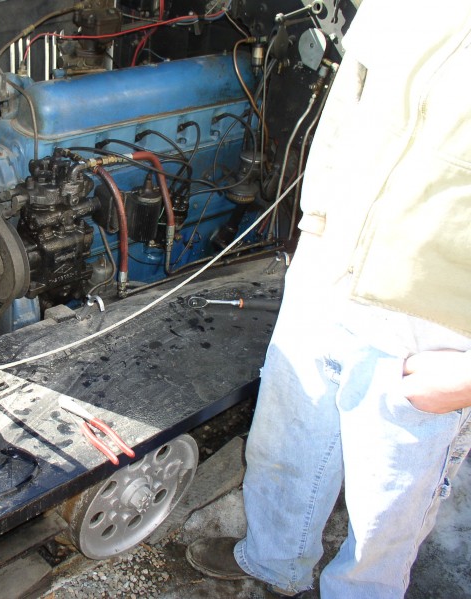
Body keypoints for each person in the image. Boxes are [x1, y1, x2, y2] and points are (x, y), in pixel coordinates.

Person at [185, 1, 471, 597]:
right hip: (326, 267)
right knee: (284, 443)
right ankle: (273, 562)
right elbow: (349, 119)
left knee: (386, 510)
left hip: (434, 323)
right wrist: (313, 231)